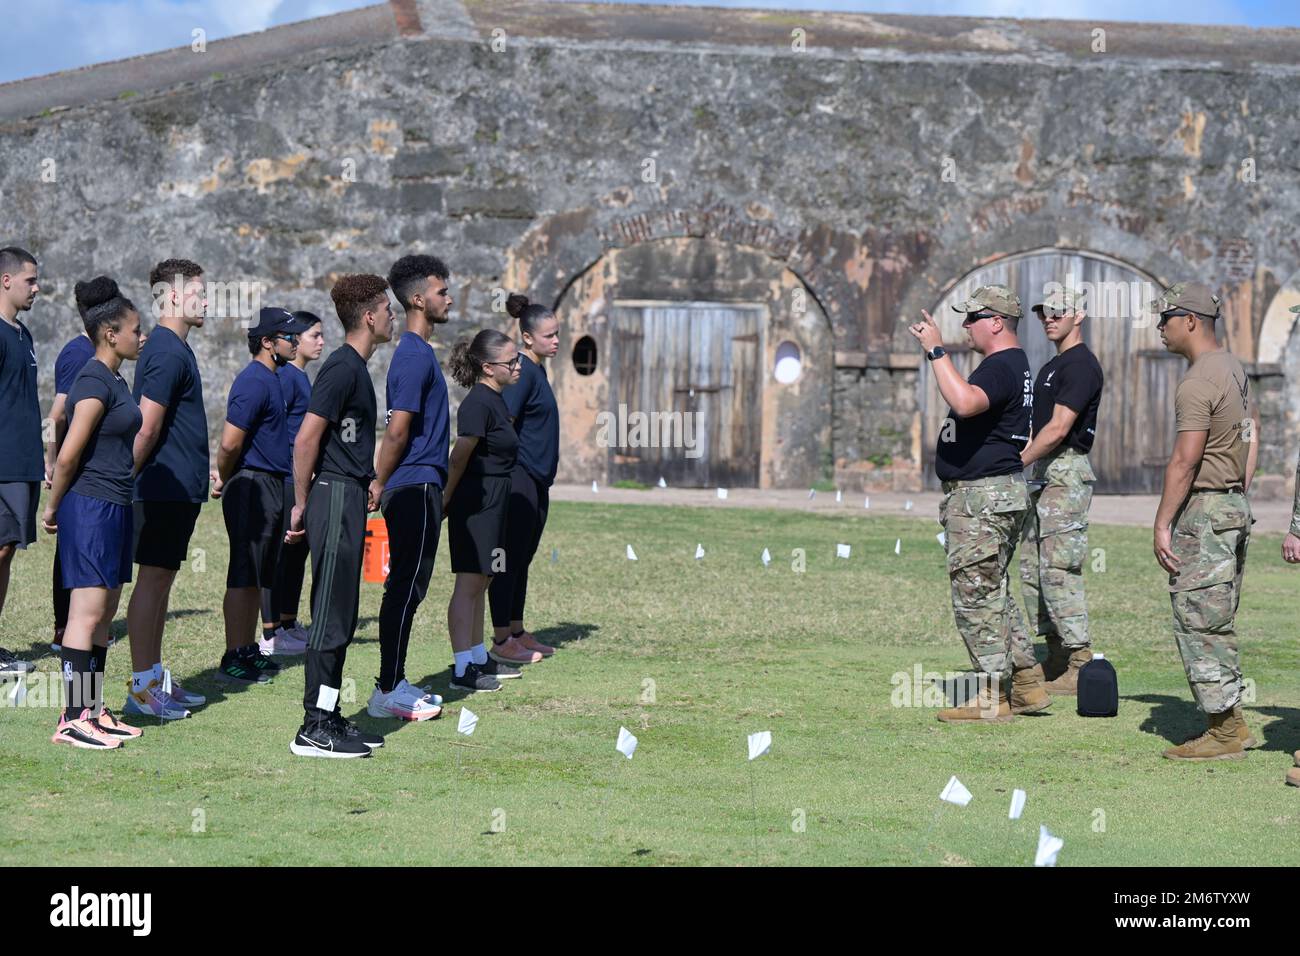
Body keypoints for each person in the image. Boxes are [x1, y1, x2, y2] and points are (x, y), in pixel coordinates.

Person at [908, 284, 1049, 722]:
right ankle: (1026, 683)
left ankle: (992, 695)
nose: (964, 326)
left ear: (995, 322)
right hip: (996, 493)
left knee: (975, 596)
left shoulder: (1001, 365)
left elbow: (966, 403)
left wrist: (936, 353)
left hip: (981, 499)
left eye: (971, 319)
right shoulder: (1012, 364)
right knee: (994, 591)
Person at [286, 274, 393, 758]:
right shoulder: (341, 367)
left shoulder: (356, 367)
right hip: (330, 498)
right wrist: (303, 502)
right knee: (329, 617)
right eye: (387, 309)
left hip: (349, 495)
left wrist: (367, 478)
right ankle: (312, 726)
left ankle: (330, 715)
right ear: (369, 317)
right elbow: (307, 438)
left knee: (344, 617)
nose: (392, 316)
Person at [1152, 282, 1258, 762]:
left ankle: (1223, 731)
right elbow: (1252, 431)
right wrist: (1239, 485)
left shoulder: (1196, 381)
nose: (1160, 328)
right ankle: (1232, 721)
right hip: (1232, 506)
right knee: (1217, 618)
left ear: (1190, 320)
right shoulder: (1233, 367)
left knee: (1198, 620)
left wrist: (1162, 522)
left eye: (1165, 318)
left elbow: (1185, 460)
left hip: (1207, 511)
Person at [42, 287, 144, 748]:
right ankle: (72, 718)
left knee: (104, 613)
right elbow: (68, 453)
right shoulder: (92, 380)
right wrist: (52, 506)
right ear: (110, 333)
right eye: (135, 330)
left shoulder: (116, 379)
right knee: (84, 615)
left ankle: (94, 709)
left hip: (117, 505)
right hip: (90, 505)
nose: (141, 338)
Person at [367, 255, 455, 721]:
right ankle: (387, 688)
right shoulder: (412, 355)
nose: (450, 298)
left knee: (409, 586)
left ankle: (393, 680)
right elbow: (397, 430)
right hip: (413, 484)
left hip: (422, 483)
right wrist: (379, 481)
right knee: (404, 586)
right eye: (442, 291)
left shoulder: (420, 353)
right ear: (418, 299)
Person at [124, 259, 210, 719]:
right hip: (160, 489)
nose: (208, 300)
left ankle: (154, 678)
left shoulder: (177, 348)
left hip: (178, 490)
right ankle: (141, 688)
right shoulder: (165, 350)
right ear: (173, 296)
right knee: (152, 582)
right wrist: (125, 478)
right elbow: (146, 427)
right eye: (199, 292)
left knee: (162, 584)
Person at [1018, 287, 1104, 695]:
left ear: (1079, 314)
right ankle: (1054, 654)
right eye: (1043, 313)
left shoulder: (1081, 365)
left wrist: (1015, 462)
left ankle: (1079, 659)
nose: (1049, 318)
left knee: (1058, 568)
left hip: (1065, 470)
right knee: (1033, 569)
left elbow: (1057, 429)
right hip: (1044, 470)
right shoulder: (1054, 364)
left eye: (1058, 312)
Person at [214, 308, 307, 683]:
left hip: (269, 483)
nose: (296, 343)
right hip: (251, 484)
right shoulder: (253, 380)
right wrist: (226, 477)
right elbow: (229, 443)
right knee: (243, 572)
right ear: (267, 343)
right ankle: (233, 654)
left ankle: (248, 648)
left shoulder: (274, 378)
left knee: (258, 574)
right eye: (289, 337)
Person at [444, 329, 523, 693]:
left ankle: (477, 655)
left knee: (488, 577)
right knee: (471, 581)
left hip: (497, 501)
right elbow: (459, 457)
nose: (518, 365)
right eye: (512, 361)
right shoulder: (477, 402)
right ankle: (463, 667)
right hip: (476, 502)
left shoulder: (496, 400)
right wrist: (444, 499)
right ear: (489, 368)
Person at [488, 294, 561, 664]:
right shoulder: (522, 373)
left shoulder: (538, 370)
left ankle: (516, 630)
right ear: (528, 338)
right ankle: (502, 640)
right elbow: (505, 423)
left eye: (557, 334)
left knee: (523, 558)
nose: (556, 341)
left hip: (537, 481)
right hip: (519, 478)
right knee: (508, 558)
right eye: (548, 336)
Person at [47, 279, 110, 652]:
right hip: (78, 474)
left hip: (91, 474)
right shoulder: (79, 354)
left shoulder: (96, 354)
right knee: (72, 551)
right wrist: (52, 464)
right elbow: (56, 417)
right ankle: (63, 626)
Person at [259, 311, 323, 655]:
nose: (320, 342)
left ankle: (287, 621)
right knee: (281, 553)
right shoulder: (285, 377)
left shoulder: (301, 378)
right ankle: (271, 633)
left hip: (299, 475)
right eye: (314, 335)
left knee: (297, 552)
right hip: (284, 474)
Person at [0, 247, 42, 678]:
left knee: (7, 550)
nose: (37, 288)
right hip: (2, 465)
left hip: (24, 464)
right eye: (30, 280)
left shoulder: (23, 334)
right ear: (6, 280)